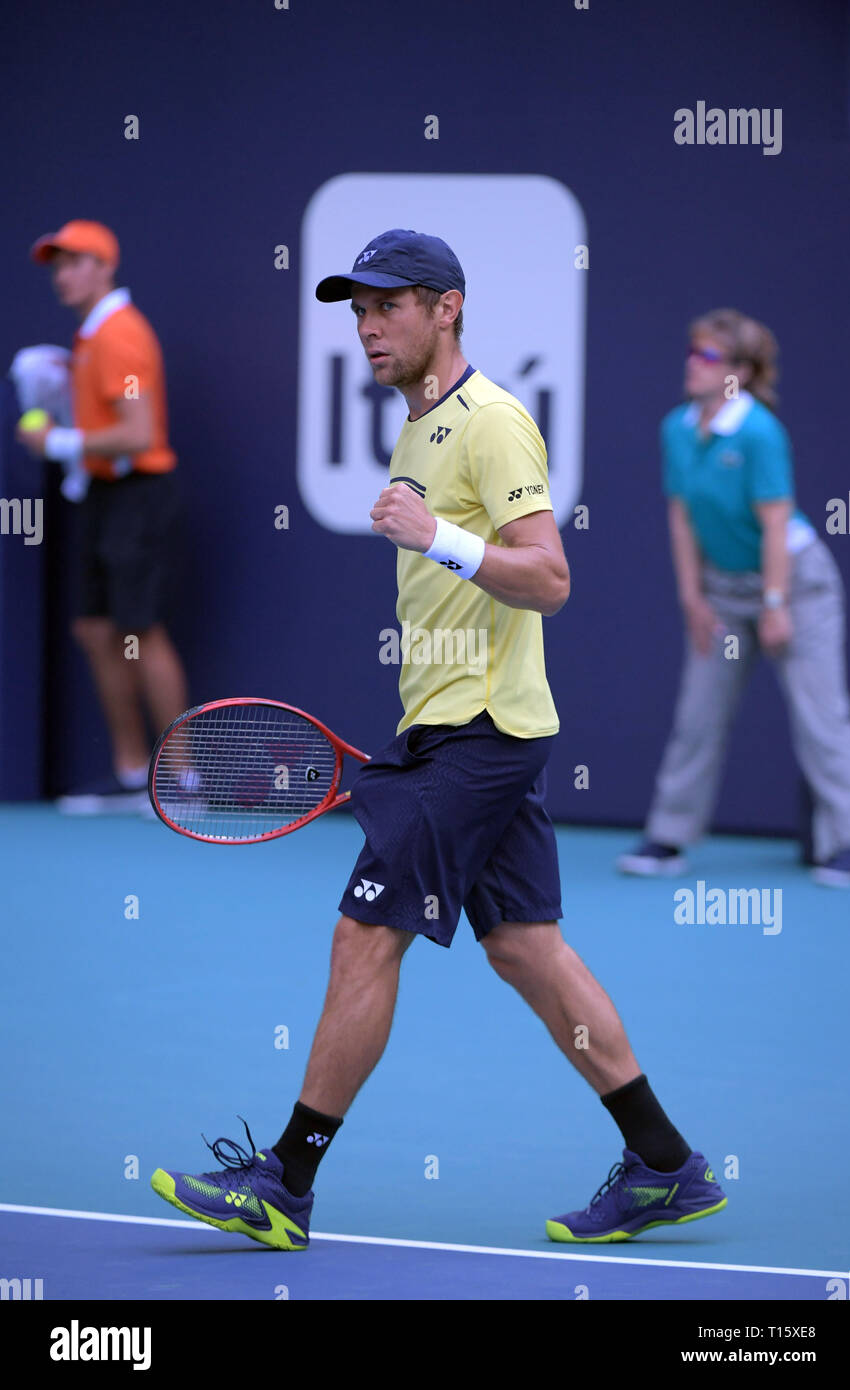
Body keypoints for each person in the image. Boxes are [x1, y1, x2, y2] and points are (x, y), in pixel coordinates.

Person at [150, 229, 726, 1250]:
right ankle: (665, 1163)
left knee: (362, 934)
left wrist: (441, 539)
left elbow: (547, 578)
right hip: (451, 728)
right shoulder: (414, 432)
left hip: (483, 732)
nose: (368, 328)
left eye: (388, 307)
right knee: (525, 949)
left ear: (445, 308)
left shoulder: (493, 422)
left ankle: (284, 1179)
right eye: (357, 311)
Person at [618, 309, 850, 887]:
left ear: (740, 373)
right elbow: (681, 517)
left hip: (797, 586)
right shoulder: (676, 428)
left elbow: (776, 524)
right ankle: (669, 838)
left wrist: (777, 604)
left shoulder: (760, 433)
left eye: (707, 357)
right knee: (697, 716)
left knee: (821, 718)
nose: (692, 364)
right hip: (722, 595)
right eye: (692, 352)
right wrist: (692, 598)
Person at [18, 220, 188, 813]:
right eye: (56, 266)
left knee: (139, 628)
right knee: (95, 629)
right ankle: (130, 773)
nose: (62, 276)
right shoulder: (92, 337)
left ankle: (181, 782)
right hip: (100, 494)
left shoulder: (119, 335)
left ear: (104, 267)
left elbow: (138, 432)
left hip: (136, 493)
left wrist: (60, 442)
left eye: (74, 263)